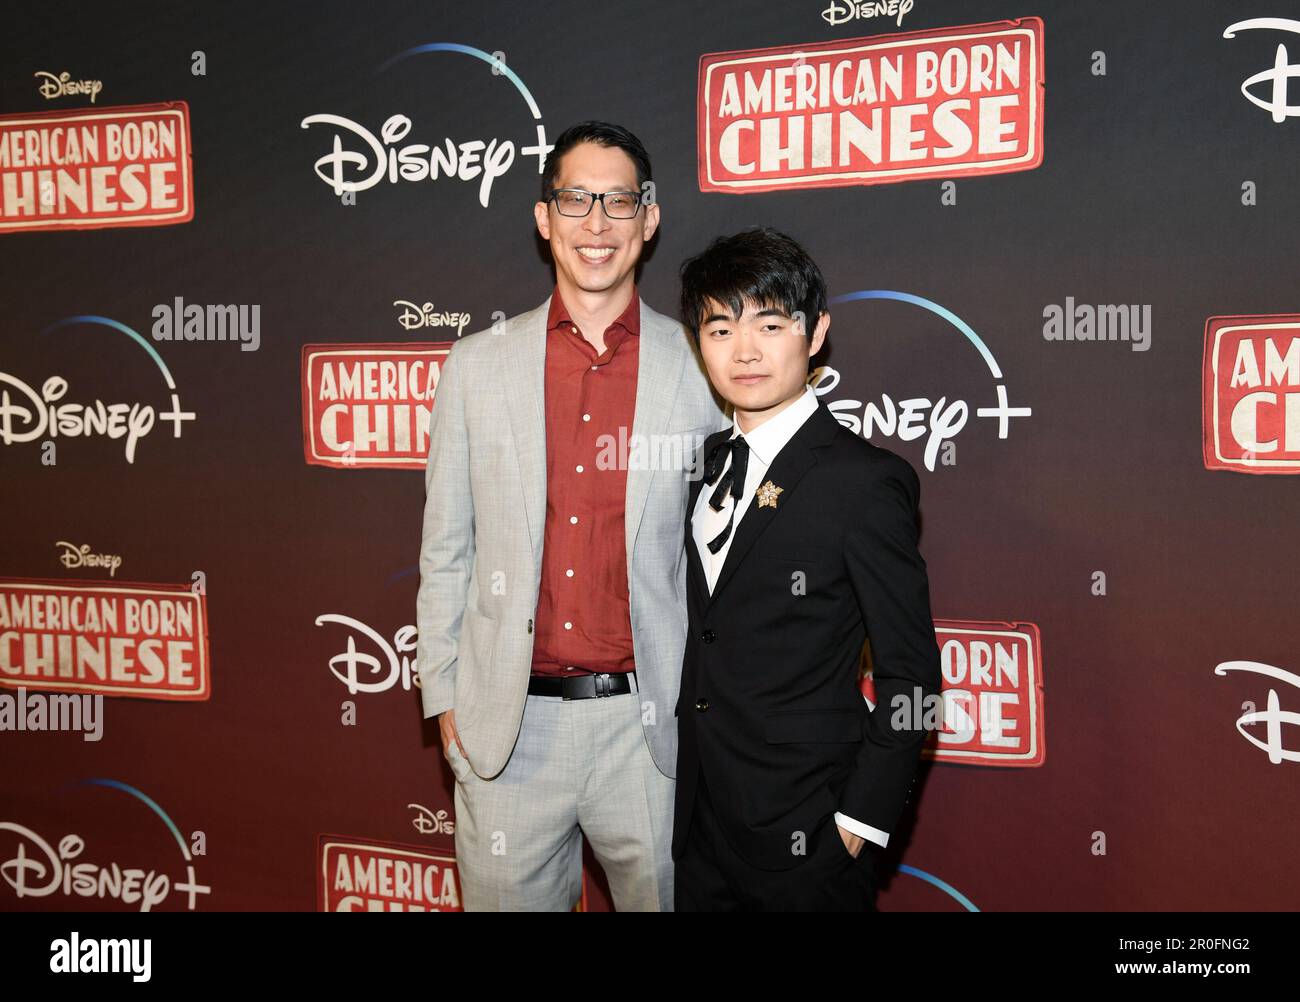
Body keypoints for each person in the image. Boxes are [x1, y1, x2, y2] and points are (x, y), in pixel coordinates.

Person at [416, 121, 729, 911]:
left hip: (651, 735)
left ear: (649, 219)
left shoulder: (702, 365)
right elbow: (446, 547)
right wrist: (445, 700)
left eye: (619, 201)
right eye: (576, 199)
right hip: (507, 734)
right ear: (543, 216)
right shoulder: (475, 366)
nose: (597, 223)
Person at [672, 226, 943, 910]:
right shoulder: (701, 465)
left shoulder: (864, 481)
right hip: (699, 828)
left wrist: (858, 823)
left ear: (815, 332)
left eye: (770, 323)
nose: (745, 350)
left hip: (809, 833)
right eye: (720, 328)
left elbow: (914, 677)